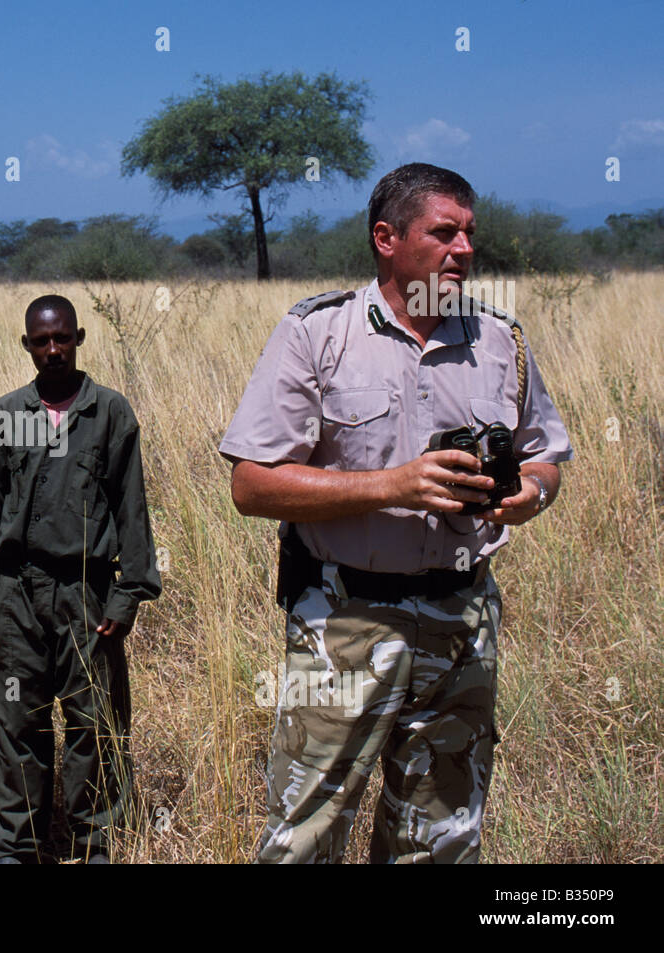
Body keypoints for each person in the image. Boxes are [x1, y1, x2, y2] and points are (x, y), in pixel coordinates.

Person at [219, 163, 572, 863]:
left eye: (470, 233)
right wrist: (394, 486)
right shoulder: (318, 333)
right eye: (444, 232)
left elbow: (546, 458)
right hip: (345, 620)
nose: (464, 249)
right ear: (387, 238)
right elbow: (252, 486)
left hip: (463, 623)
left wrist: (530, 494)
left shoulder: (501, 340)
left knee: (440, 837)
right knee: (306, 836)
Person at [0, 294, 161, 864]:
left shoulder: (110, 414)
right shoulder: (5, 417)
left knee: (92, 726)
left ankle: (95, 845)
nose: (53, 350)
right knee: (16, 724)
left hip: (87, 598)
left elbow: (133, 513)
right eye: (41, 341)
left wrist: (129, 595)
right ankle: (16, 850)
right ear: (27, 346)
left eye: (63, 338)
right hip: (16, 599)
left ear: (79, 339)